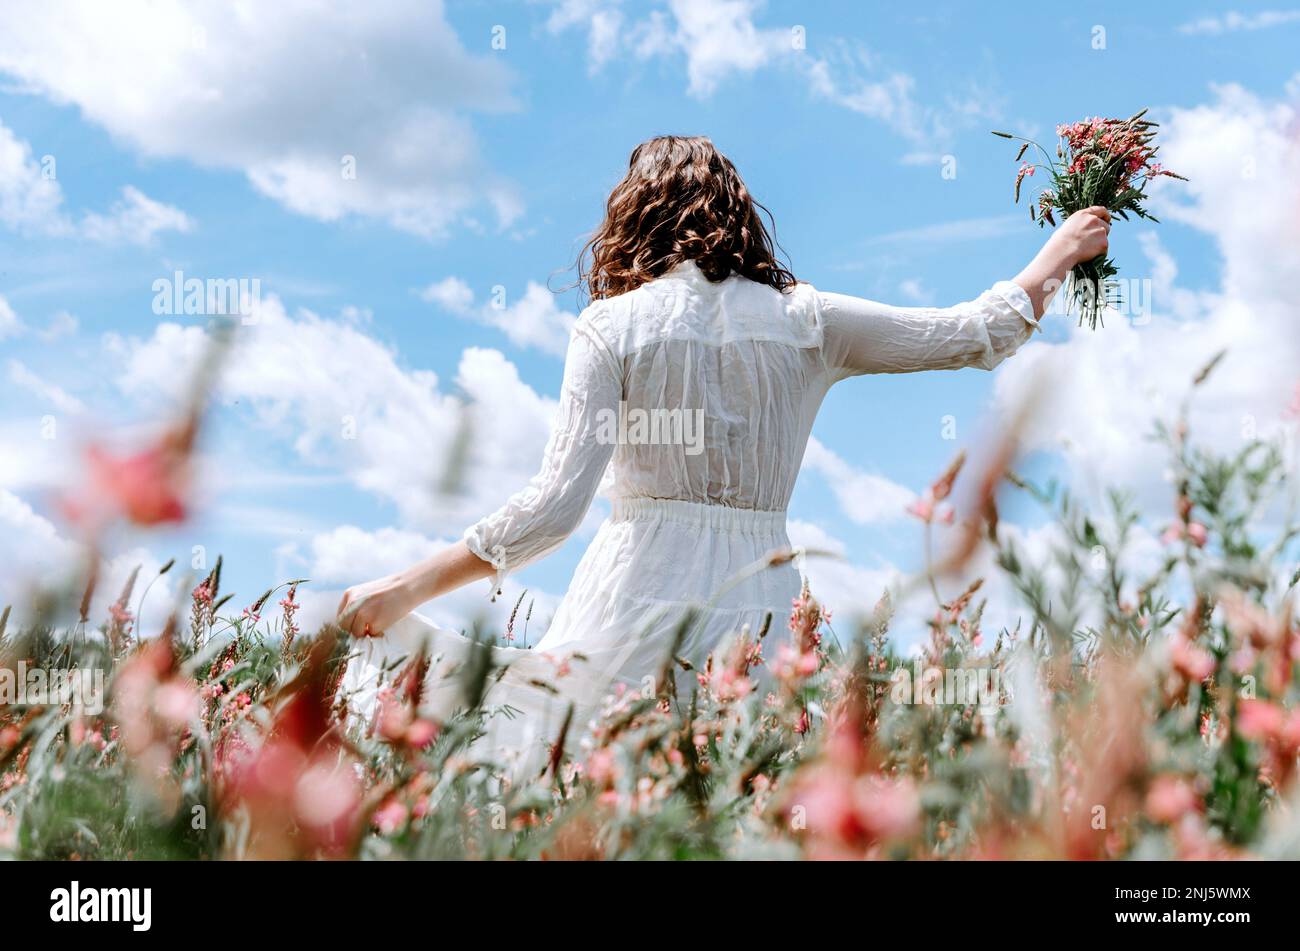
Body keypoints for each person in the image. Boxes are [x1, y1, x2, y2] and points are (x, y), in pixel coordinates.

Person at [338, 135, 1110, 775]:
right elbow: (964, 335)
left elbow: (552, 510)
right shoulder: (808, 321)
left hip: (633, 594)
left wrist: (404, 588)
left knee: (597, 791)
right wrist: (1056, 254)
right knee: (751, 798)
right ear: (740, 217)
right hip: (763, 605)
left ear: (632, 218)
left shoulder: (612, 328)